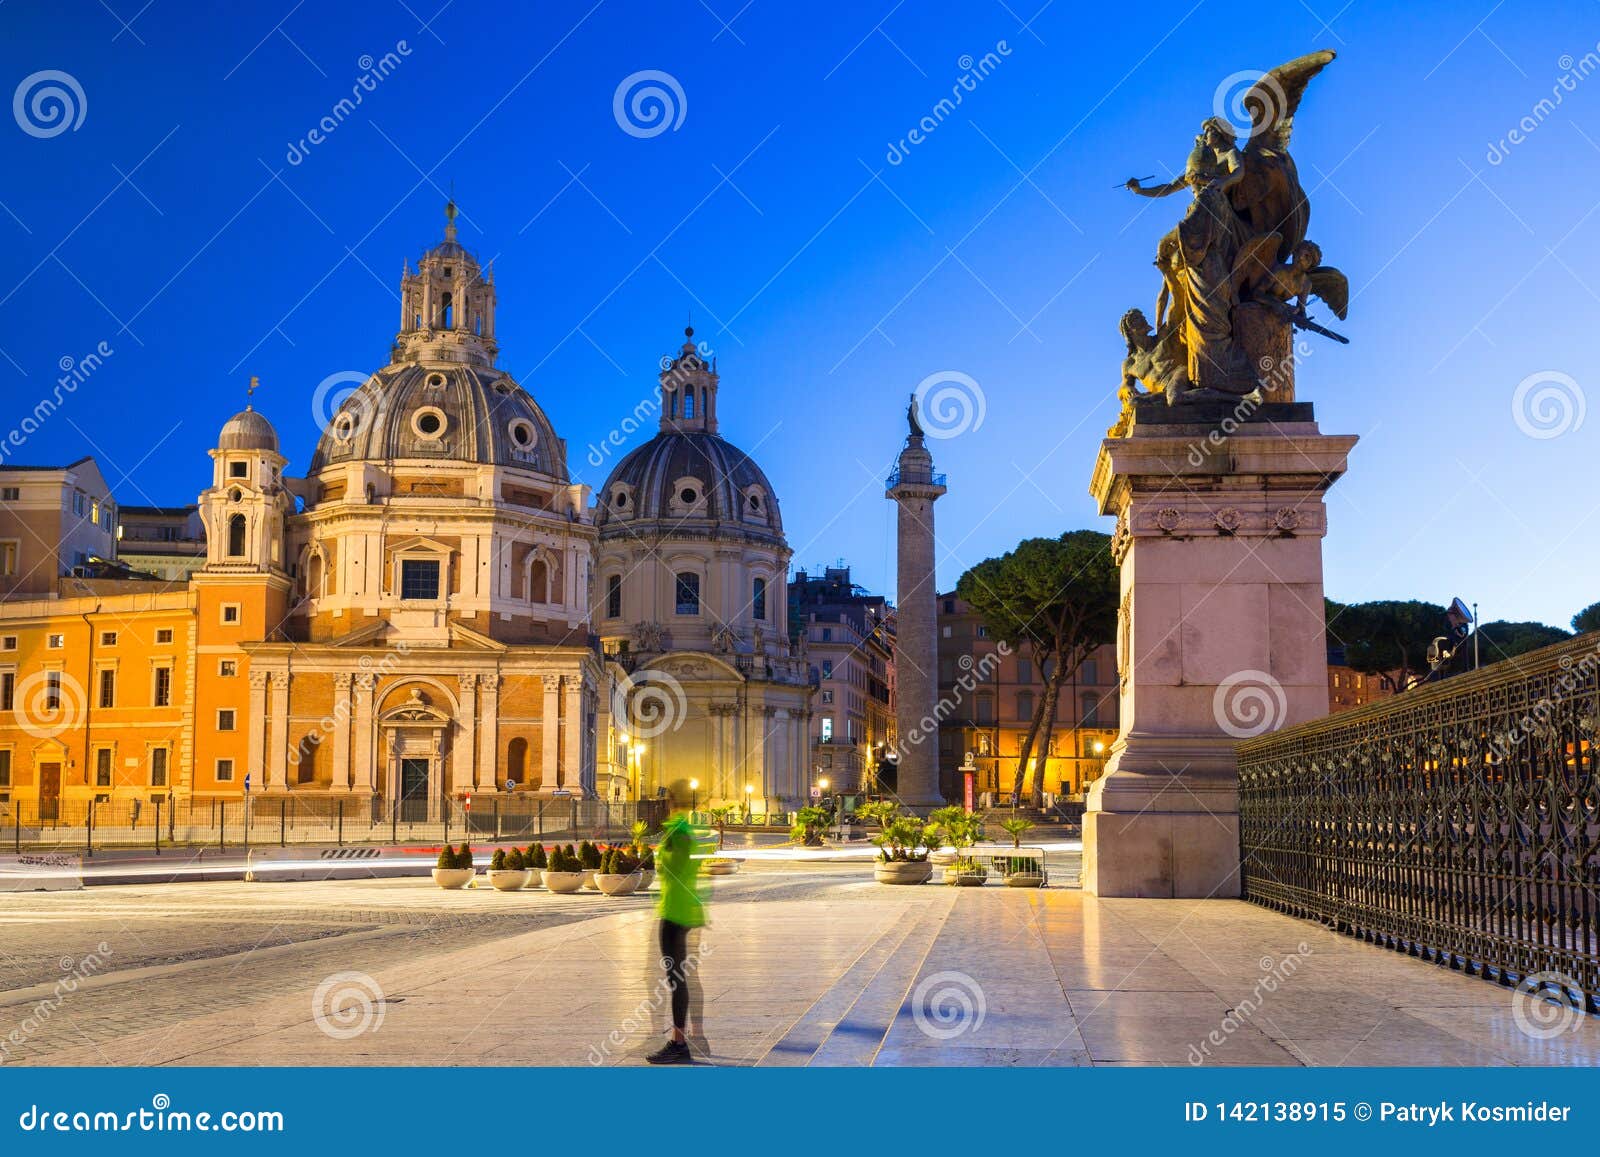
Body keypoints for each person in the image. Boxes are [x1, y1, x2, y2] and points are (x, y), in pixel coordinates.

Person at [646, 779, 710, 1065]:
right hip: (680, 911)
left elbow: (675, 870)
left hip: (675, 913)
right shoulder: (683, 830)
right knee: (678, 979)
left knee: (677, 980)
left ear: (671, 802)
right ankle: (680, 1040)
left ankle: (679, 1043)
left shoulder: (678, 833)